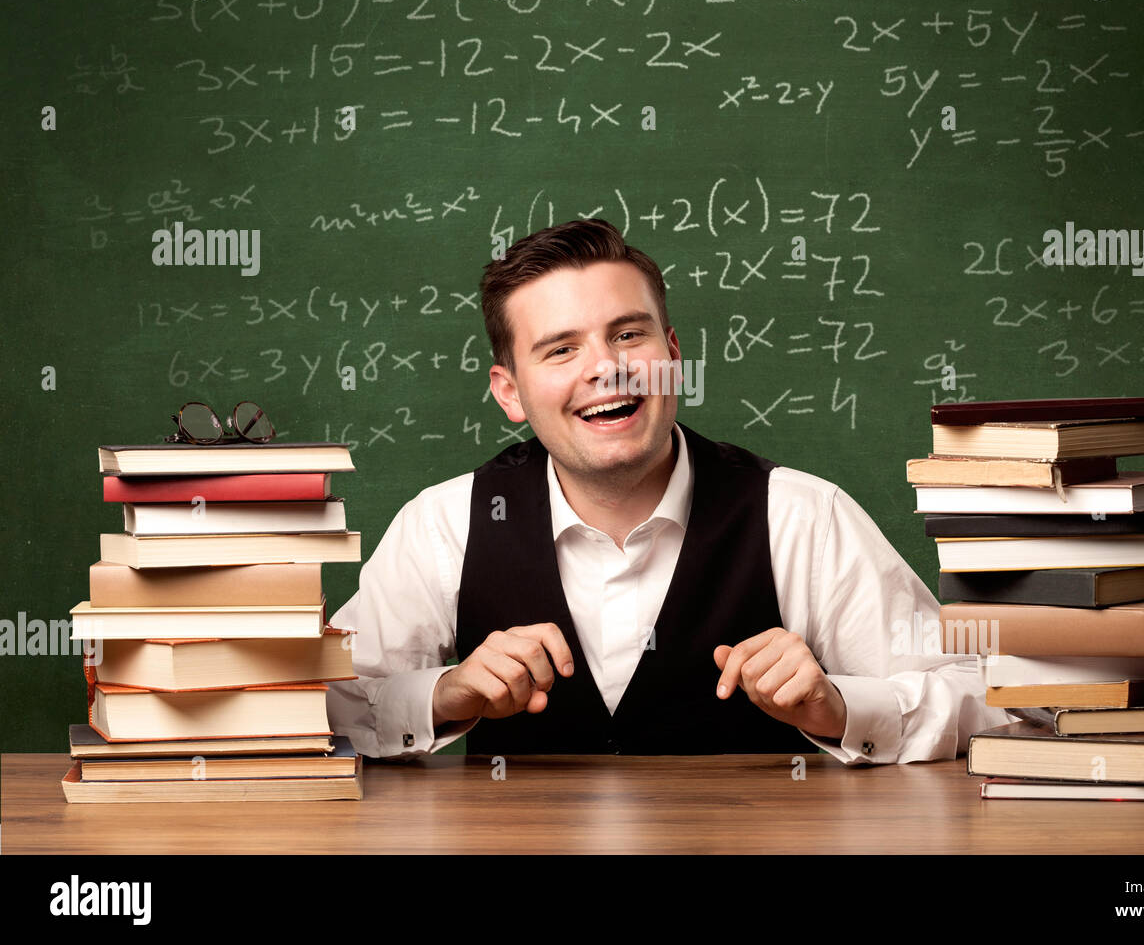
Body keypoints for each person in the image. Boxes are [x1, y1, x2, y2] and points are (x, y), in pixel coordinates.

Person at [326, 219, 1014, 762]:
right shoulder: (447, 525)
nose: (608, 369)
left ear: (673, 356)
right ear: (510, 392)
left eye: (629, 334)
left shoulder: (802, 516)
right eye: (561, 349)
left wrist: (839, 707)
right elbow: (327, 705)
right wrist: (444, 695)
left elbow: (990, 698)